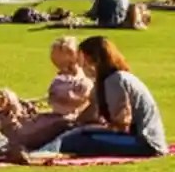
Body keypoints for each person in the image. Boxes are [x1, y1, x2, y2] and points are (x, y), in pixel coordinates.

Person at [37, 36, 167, 157]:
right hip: (135, 138)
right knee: (71, 133)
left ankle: (42, 153)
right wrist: (73, 123)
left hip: (144, 142)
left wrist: (89, 128)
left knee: (78, 140)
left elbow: (122, 123)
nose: (81, 66)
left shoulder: (115, 80)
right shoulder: (105, 80)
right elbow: (92, 109)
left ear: (94, 59)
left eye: (83, 60)